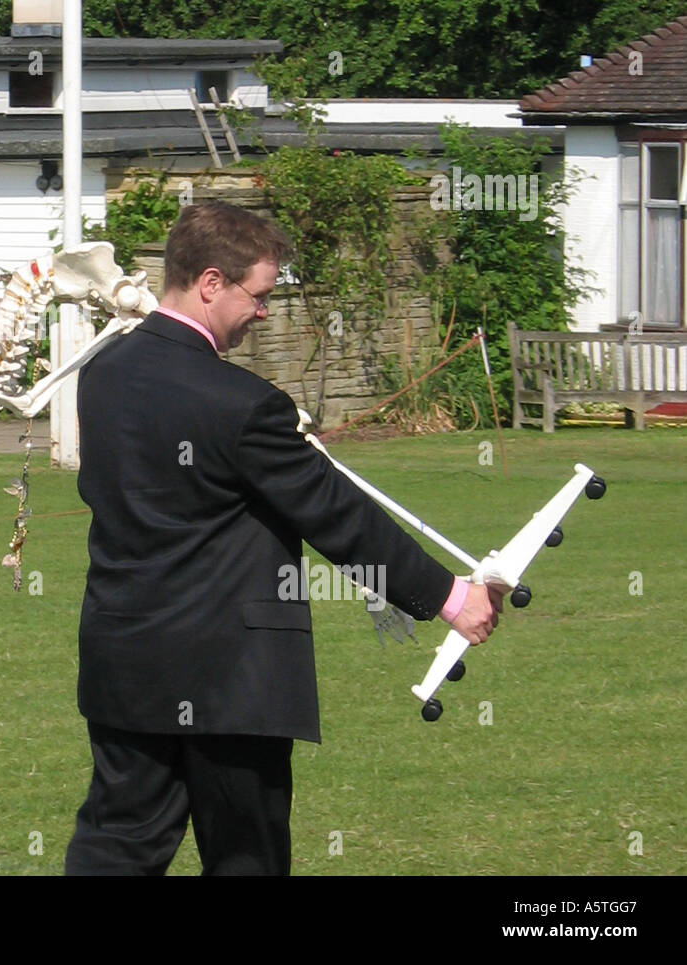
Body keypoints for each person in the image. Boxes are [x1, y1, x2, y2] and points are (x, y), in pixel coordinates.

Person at [64, 202, 504, 876]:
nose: (264, 313)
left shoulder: (100, 375)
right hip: (231, 678)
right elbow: (337, 515)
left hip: (125, 657)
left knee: (118, 844)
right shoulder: (243, 404)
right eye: (260, 296)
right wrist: (447, 596)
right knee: (246, 856)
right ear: (211, 282)